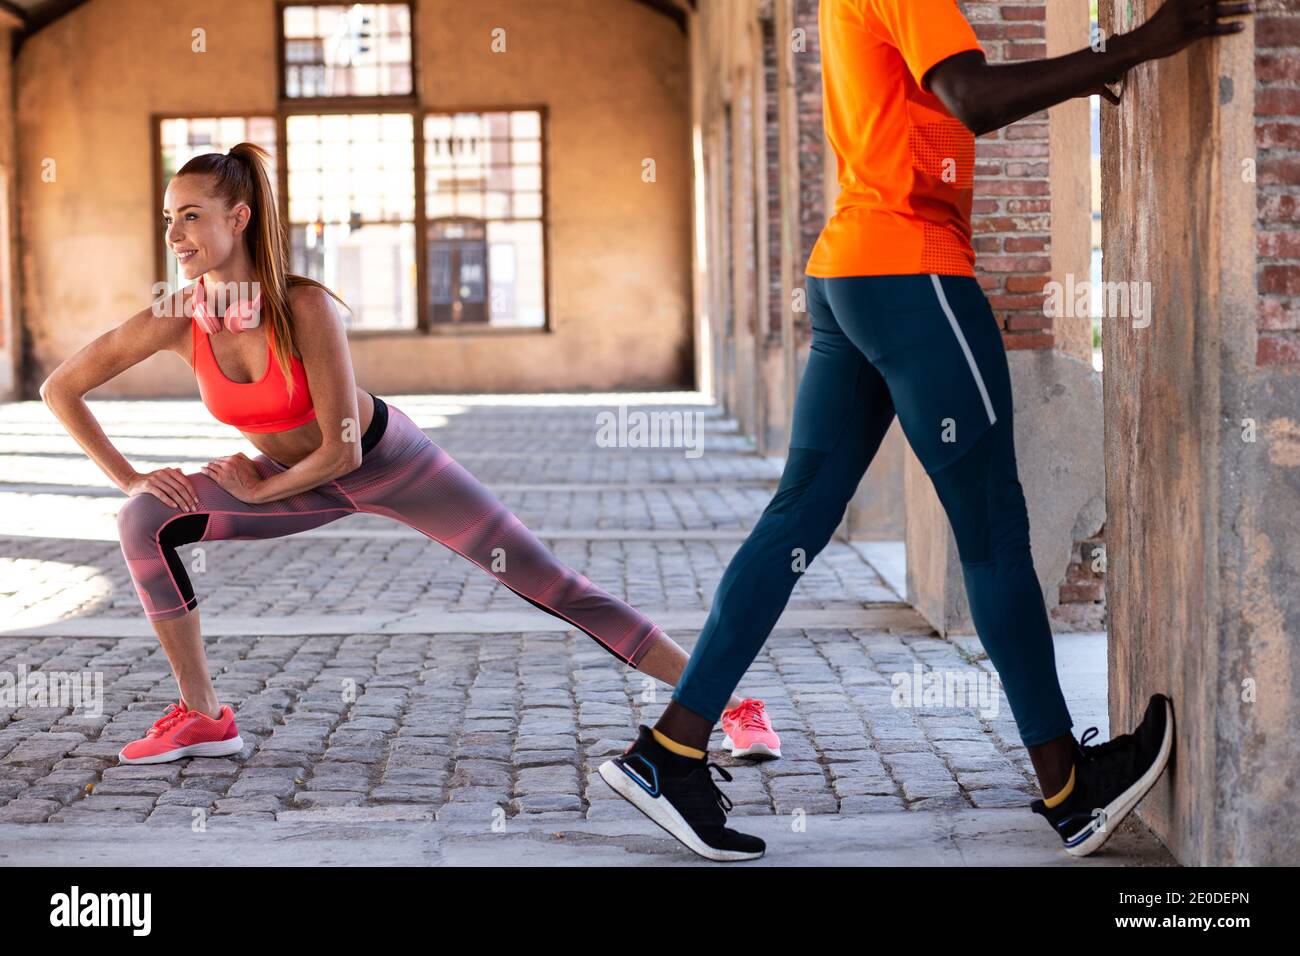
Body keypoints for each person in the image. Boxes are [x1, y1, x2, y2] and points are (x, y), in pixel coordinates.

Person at [599, 0, 1251, 862]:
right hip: (913, 274)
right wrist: (1130, 48)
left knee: (796, 520)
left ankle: (668, 752)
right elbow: (970, 97)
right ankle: (1068, 788)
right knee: (992, 531)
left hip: (848, 273)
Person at [39, 143, 780, 765]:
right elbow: (62, 388)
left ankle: (728, 702)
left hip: (391, 465)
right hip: (294, 479)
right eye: (169, 219)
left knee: (552, 582)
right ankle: (203, 713)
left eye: (192, 216)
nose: (176, 233)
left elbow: (342, 447)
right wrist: (133, 477)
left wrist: (264, 493)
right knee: (142, 520)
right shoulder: (177, 318)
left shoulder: (305, 306)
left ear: (239, 218)